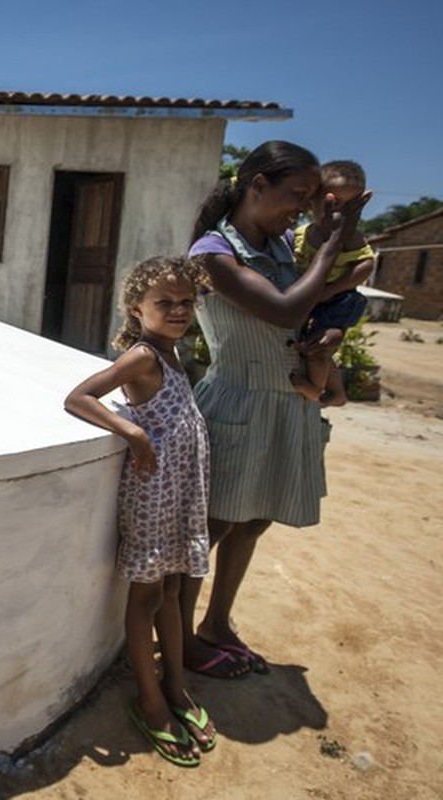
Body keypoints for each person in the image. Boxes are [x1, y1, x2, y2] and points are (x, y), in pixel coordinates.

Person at [182, 141, 370, 679]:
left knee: (254, 522)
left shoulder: (288, 245)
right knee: (212, 529)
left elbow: (314, 311)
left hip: (286, 406)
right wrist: (331, 248)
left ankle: (217, 625)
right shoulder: (214, 254)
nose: (306, 209)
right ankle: (185, 642)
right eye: (299, 196)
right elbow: (285, 310)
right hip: (237, 403)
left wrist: (333, 327)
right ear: (258, 185)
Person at [65, 255, 217, 767]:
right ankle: (150, 701)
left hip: (179, 492)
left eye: (185, 302)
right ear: (137, 308)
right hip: (153, 494)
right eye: (164, 303)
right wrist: (130, 431)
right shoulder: (144, 357)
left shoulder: (173, 354)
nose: (177, 311)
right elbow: (79, 397)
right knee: (148, 593)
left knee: (173, 589)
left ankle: (176, 686)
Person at [289, 160, 377, 406]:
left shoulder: (351, 238)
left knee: (318, 349)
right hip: (309, 301)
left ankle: (315, 388)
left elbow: (365, 267)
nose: (340, 212)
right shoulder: (301, 233)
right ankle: (337, 393)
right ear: (311, 202)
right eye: (334, 202)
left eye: (351, 205)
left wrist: (330, 290)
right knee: (314, 350)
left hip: (337, 301)